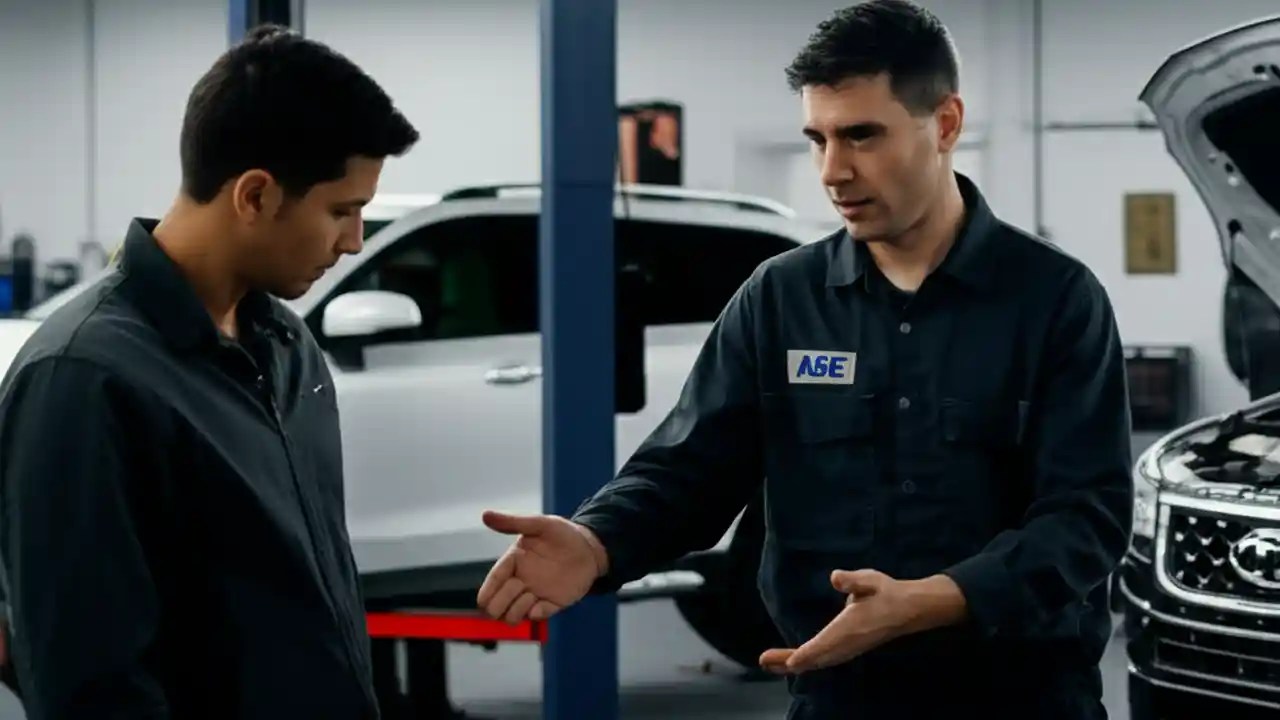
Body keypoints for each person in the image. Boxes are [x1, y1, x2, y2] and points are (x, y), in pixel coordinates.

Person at [476, 1, 1132, 717]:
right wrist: (597, 541)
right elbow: (689, 467)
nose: (832, 170)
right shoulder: (780, 299)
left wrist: (932, 602)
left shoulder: (1053, 299)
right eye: (816, 138)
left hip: (1021, 699)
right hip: (836, 694)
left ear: (944, 124)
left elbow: (1086, 517)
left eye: (861, 136)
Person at [0, 25, 418, 719]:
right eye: (342, 211)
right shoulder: (81, 381)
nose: (354, 242)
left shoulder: (287, 347)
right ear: (254, 195)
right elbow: (92, 683)